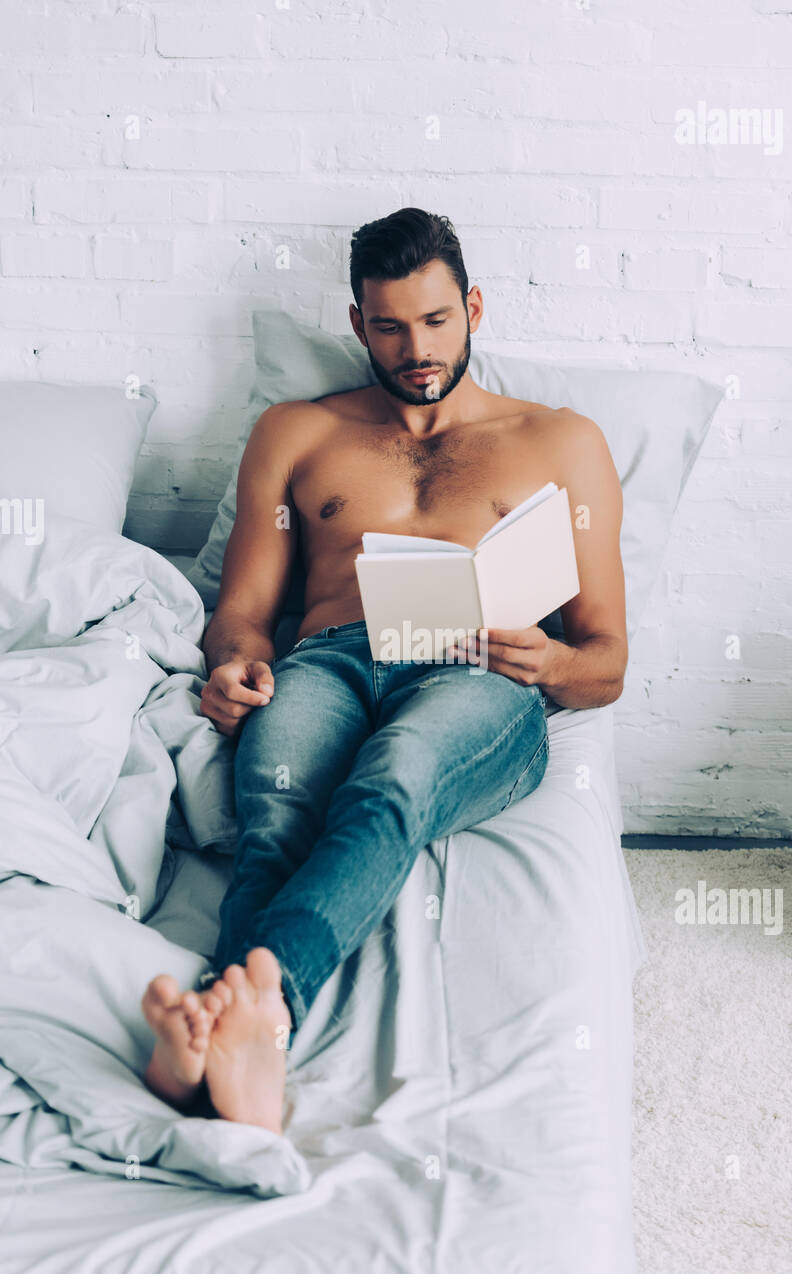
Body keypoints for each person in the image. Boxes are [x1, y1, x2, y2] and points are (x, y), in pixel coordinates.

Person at [141, 207, 628, 1133]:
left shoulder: (562, 442)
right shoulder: (295, 432)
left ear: (474, 307)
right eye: (392, 326)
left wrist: (554, 658)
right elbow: (241, 613)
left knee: (391, 779)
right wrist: (237, 664)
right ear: (358, 323)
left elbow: (605, 659)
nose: (417, 347)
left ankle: (252, 1012)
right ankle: (222, 1054)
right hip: (329, 658)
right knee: (274, 808)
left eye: (437, 321)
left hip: (479, 670)